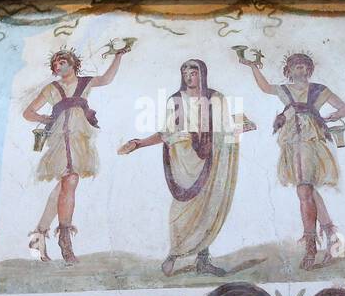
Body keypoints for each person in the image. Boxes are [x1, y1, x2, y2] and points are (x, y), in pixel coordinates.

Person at [119, 58, 254, 276]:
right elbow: (166, 133)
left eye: (193, 73)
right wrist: (140, 143)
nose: (189, 77)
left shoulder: (216, 98)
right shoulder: (176, 100)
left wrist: (241, 125)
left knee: (208, 208)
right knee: (181, 211)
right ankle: (174, 254)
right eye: (186, 74)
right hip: (184, 161)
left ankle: (203, 261)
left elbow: (224, 128)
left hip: (211, 158)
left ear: (203, 74)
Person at [242, 51, 345, 270]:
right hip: (292, 143)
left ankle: (311, 245)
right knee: (308, 190)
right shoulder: (286, 90)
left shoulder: (319, 90)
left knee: (303, 191)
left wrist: (333, 116)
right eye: (296, 67)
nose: (300, 70)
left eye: (304, 66)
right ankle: (332, 236)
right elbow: (265, 87)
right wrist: (253, 66)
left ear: (309, 69)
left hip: (310, 142)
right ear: (289, 70)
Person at [23, 46, 127, 264]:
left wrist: (118, 56)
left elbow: (107, 79)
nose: (59, 66)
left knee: (64, 186)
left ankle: (39, 235)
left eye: (62, 62)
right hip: (61, 139)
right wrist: (45, 119)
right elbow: (28, 112)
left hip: (79, 139)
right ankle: (64, 240)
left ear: (72, 63)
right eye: (56, 64)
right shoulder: (52, 88)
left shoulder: (84, 82)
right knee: (69, 181)